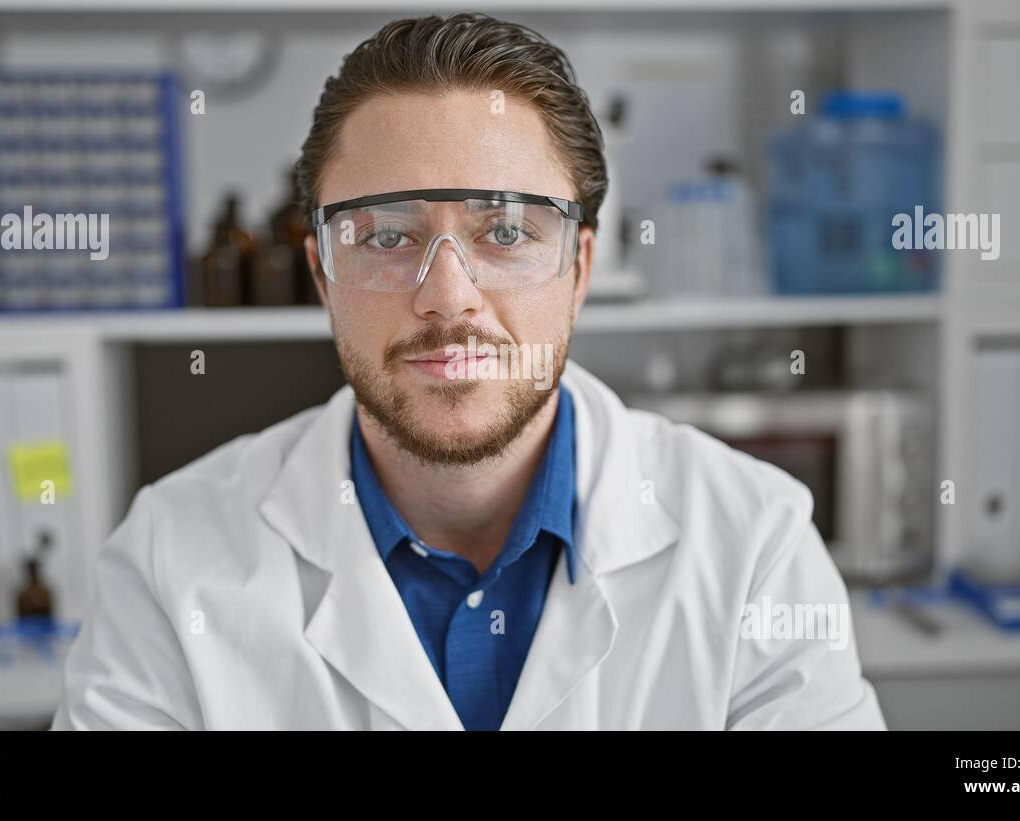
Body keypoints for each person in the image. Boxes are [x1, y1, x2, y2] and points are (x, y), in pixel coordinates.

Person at [53, 12, 885, 730]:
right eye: (386, 236)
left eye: (510, 231)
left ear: (581, 267)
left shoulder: (753, 544)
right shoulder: (170, 559)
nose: (448, 298)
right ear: (321, 273)